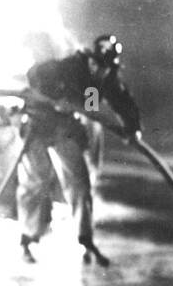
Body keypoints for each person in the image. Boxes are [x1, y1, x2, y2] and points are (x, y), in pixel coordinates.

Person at [16, 34, 141, 267]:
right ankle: (27, 237)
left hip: (65, 128)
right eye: (97, 65)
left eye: (105, 68)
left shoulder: (106, 78)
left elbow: (122, 100)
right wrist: (56, 96)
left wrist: (133, 128)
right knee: (37, 180)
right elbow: (35, 75)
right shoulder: (70, 66)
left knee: (80, 184)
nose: (100, 71)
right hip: (39, 124)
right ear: (91, 60)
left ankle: (86, 240)